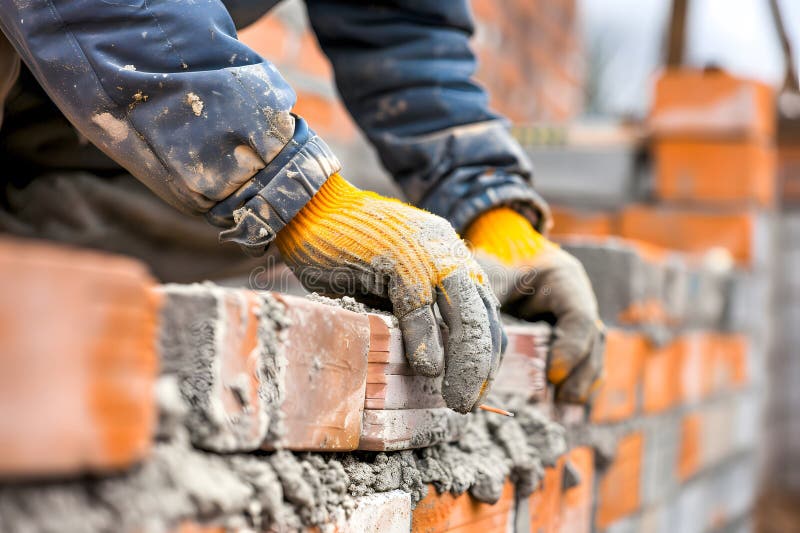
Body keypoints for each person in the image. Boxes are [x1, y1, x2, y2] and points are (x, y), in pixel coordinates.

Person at [0, 0, 604, 413]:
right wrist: (299, 198)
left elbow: (402, 23)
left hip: (66, 118)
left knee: (230, 260)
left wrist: (487, 208)